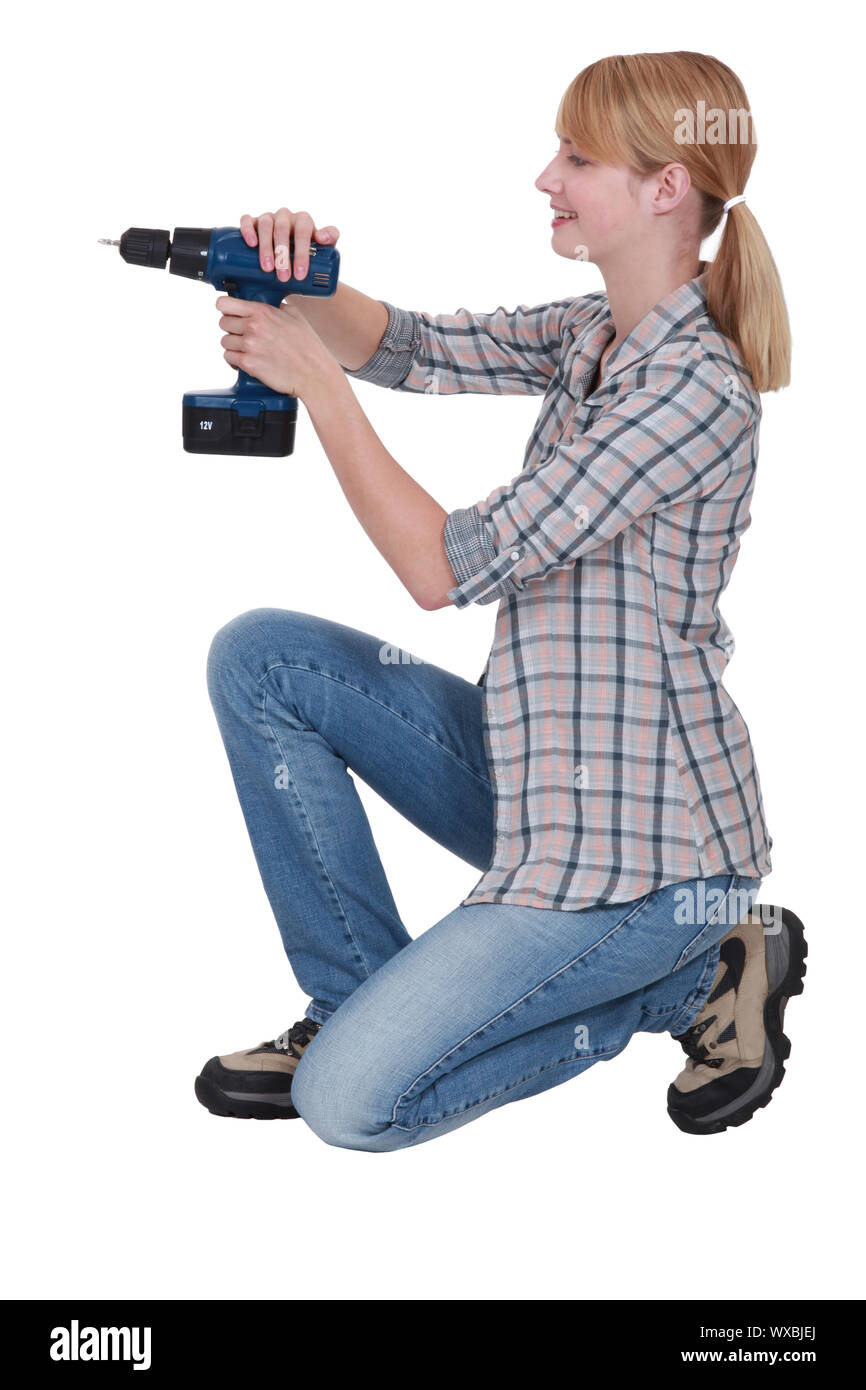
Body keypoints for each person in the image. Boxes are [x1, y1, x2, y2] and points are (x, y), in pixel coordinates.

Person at [195, 50, 807, 1150]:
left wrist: (316, 388)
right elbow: (414, 346)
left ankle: (690, 975)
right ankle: (354, 1001)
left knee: (346, 1102)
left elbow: (445, 567)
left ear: (665, 186)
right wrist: (295, 276)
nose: (545, 178)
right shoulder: (590, 336)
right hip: (540, 787)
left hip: (645, 870)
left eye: (576, 158)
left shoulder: (691, 395)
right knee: (262, 659)